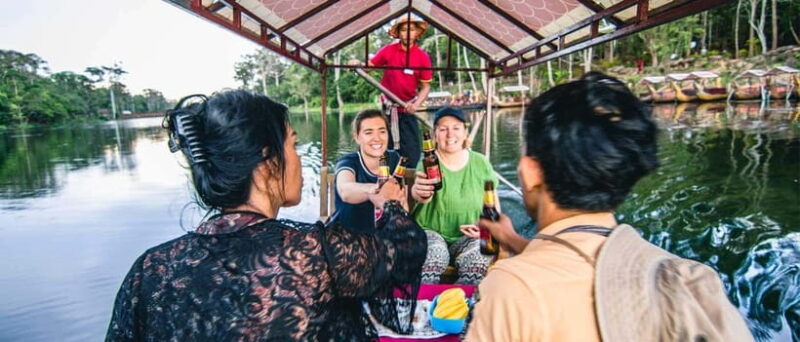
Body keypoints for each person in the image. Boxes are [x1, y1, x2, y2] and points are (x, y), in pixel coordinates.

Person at [105, 90, 427, 341]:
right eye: (293, 146)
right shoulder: (311, 255)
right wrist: (392, 204)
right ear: (267, 161)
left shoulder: (149, 270)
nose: (300, 160)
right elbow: (405, 249)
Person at [465, 72, 753, 341]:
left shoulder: (512, 288)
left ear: (531, 172)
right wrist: (513, 239)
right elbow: (589, 262)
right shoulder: (691, 282)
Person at [411, 107, 496, 285]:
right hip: (430, 232)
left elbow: (492, 204)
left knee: (482, 256)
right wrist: (418, 192)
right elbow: (421, 193)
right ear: (434, 135)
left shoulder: (481, 163)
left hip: (468, 236)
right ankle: (423, 306)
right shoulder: (428, 163)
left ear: (465, 132)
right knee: (434, 254)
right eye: (443, 129)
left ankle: (459, 305)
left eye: (456, 128)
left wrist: (486, 228)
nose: (450, 135)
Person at [349, 16, 432, 168]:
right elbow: (368, 66)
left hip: (408, 109)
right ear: (399, 33)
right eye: (404, 30)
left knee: (412, 153)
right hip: (388, 110)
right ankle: (385, 181)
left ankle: (409, 185)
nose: (407, 33)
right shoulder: (389, 50)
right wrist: (357, 64)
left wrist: (417, 104)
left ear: (417, 33)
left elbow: (426, 87)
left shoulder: (422, 57)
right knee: (385, 151)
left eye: (411, 30)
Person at [334, 109, 402, 233]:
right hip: (347, 237)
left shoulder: (394, 158)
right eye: (368, 133)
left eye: (382, 131)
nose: (377, 138)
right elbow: (345, 190)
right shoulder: (348, 162)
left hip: (384, 236)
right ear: (357, 137)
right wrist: (376, 189)